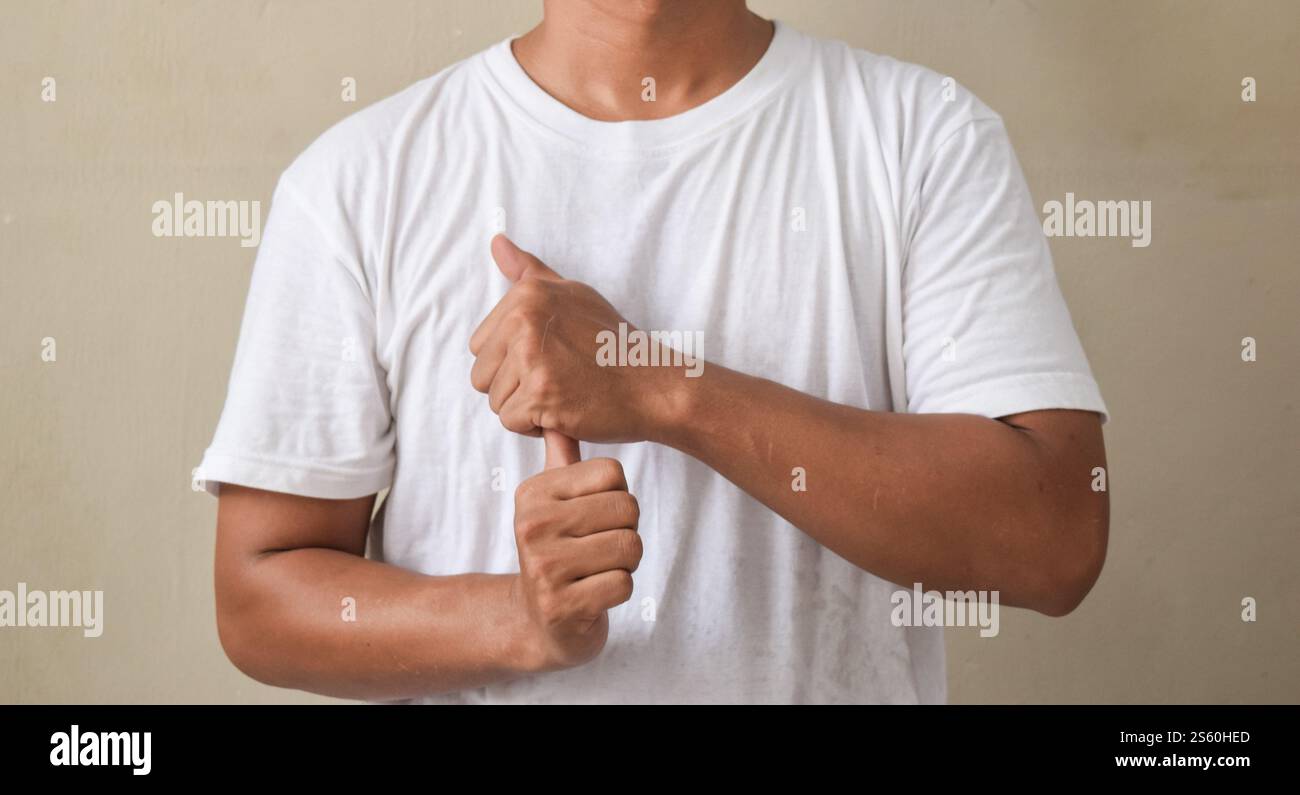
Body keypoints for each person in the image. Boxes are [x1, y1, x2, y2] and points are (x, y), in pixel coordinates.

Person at [199, 0, 1109, 704]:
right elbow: (258, 593)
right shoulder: (357, 181)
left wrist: (663, 388)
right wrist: (518, 619)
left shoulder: (925, 139)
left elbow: (1055, 539)